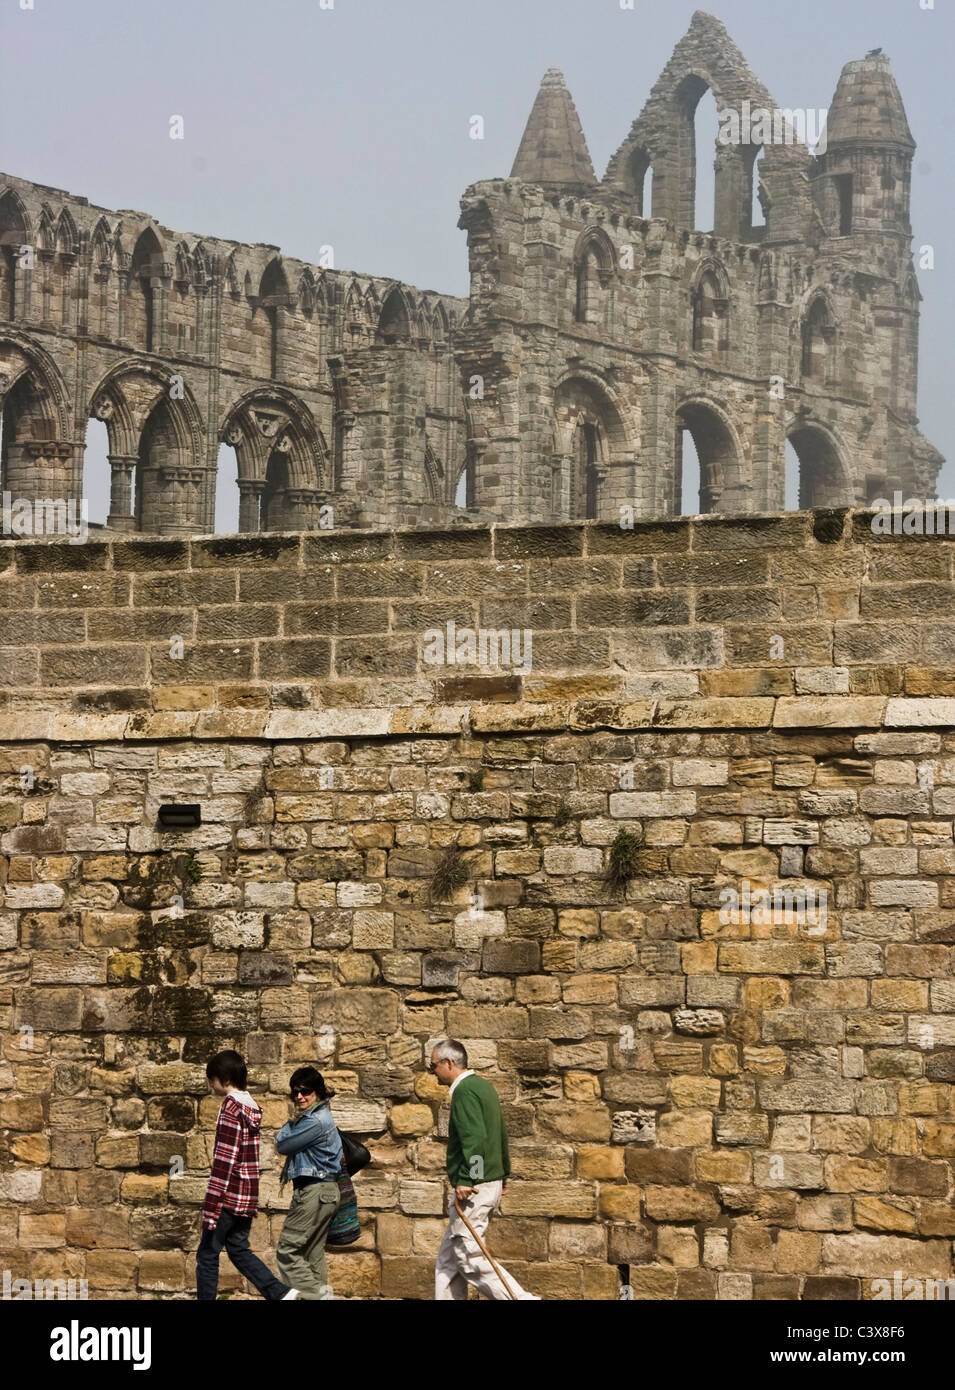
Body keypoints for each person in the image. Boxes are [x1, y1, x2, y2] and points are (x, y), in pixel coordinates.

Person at [430, 1038, 540, 1301]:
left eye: (433, 1065)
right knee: (448, 1261)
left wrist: (468, 1178)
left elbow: (475, 1138)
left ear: (449, 1063)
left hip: (475, 1186)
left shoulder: (465, 1091)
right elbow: (499, 1133)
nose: (432, 1071)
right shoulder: (483, 1087)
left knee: (469, 1257)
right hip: (487, 1180)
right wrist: (504, 1174)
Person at [196, 1049, 292, 1301]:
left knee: (207, 1254)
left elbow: (226, 1159)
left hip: (228, 1195)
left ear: (225, 1079)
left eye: (212, 1079)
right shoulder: (250, 1107)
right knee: (238, 1250)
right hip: (246, 1194)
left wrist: (213, 1201)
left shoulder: (231, 1107)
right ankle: (280, 1293)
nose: (211, 1084)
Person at [275, 1066, 344, 1301]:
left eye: (305, 1091)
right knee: (312, 1254)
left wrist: (291, 1122)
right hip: (324, 1191)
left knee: (287, 1251)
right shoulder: (320, 1116)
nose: (299, 1097)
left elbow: (283, 1144)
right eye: (295, 1092)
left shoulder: (314, 1121)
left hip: (314, 1191)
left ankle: (320, 1297)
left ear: (318, 1092)